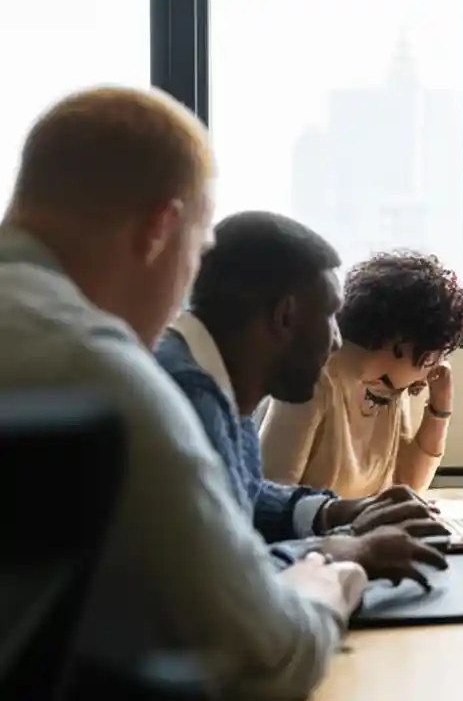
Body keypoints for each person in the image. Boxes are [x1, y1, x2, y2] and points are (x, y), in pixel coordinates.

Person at [0, 86, 363, 696]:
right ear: (160, 229)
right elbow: (267, 657)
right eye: (197, 250)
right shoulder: (101, 376)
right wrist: (331, 574)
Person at [155, 210, 449, 586]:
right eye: (330, 316)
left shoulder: (219, 378)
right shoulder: (188, 399)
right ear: (286, 316)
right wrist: (343, 549)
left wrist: (337, 512)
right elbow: (227, 582)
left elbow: (244, 496)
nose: (338, 341)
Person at [261, 250, 463, 497]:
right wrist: (356, 516)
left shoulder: (388, 385)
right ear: (404, 342)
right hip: (316, 536)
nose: (437, 363)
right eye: (435, 353)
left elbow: (407, 487)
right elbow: (270, 501)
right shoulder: (310, 378)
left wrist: (439, 409)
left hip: (356, 533)